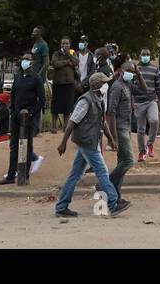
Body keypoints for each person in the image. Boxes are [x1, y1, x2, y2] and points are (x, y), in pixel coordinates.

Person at [54, 72, 129, 217]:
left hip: (89, 141)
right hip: (87, 142)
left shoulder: (99, 99)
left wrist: (111, 138)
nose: (106, 85)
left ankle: (62, 206)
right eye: (104, 82)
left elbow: (102, 122)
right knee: (102, 172)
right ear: (95, 85)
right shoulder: (85, 101)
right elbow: (72, 122)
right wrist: (63, 143)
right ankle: (113, 203)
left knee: (75, 175)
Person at [0, 52, 41, 184]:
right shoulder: (18, 77)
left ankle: (25, 176)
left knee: (26, 147)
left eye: (28, 59)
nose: (25, 61)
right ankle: (11, 175)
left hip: (28, 118)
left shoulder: (36, 79)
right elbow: (14, 96)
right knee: (14, 146)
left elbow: (41, 100)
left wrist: (31, 112)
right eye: (24, 59)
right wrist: (13, 111)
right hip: (16, 116)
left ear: (32, 62)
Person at [105, 55, 135, 197]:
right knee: (129, 161)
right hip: (120, 128)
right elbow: (111, 113)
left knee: (121, 162)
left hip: (127, 127)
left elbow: (145, 89)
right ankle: (106, 184)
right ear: (121, 71)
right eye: (128, 70)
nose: (131, 74)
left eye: (133, 71)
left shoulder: (127, 85)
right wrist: (113, 137)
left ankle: (115, 195)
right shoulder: (117, 86)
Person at [130, 45, 160, 159]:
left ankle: (150, 144)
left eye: (147, 55)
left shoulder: (155, 69)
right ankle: (142, 151)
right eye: (143, 54)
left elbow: (159, 87)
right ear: (140, 56)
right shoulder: (135, 69)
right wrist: (131, 102)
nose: (145, 56)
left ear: (150, 56)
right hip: (139, 102)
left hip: (151, 100)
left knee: (154, 121)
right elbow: (130, 87)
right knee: (140, 128)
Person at [49, 38, 77, 130]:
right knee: (55, 107)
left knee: (67, 107)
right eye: (63, 43)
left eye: (67, 43)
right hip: (58, 83)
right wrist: (67, 62)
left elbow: (76, 62)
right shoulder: (56, 53)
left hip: (69, 83)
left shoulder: (72, 53)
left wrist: (68, 54)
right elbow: (54, 63)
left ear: (70, 44)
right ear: (61, 44)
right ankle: (54, 126)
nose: (65, 45)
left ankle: (65, 126)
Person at [29, 26, 50, 136]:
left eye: (35, 32)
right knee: (31, 101)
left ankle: (36, 129)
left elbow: (46, 63)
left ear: (40, 33)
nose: (33, 33)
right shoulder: (35, 44)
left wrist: (38, 75)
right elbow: (33, 59)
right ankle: (31, 127)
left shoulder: (43, 45)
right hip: (31, 76)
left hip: (38, 78)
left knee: (37, 102)